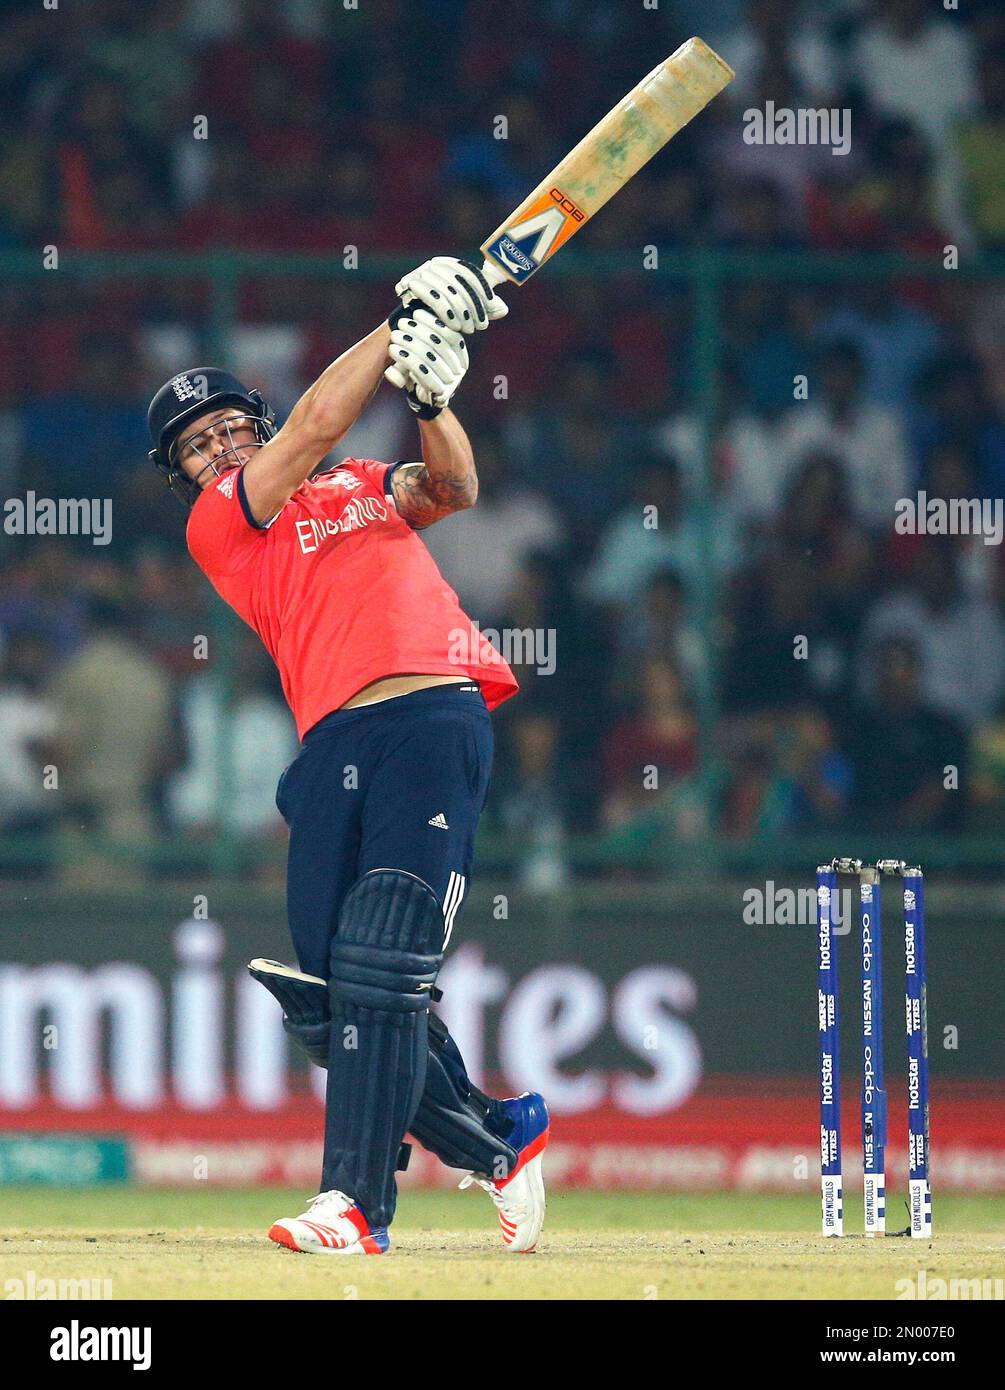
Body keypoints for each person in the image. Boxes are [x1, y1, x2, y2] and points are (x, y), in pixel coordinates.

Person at [145, 257, 548, 1256]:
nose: (221, 444)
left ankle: (356, 1204)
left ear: (257, 418)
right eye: (199, 445)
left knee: (381, 958)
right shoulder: (223, 520)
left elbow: (452, 484)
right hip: (333, 746)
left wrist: (432, 394)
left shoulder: (359, 487)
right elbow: (317, 423)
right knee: (333, 1003)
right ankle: (498, 1135)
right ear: (187, 474)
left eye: (234, 424)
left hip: (432, 717)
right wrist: (398, 319)